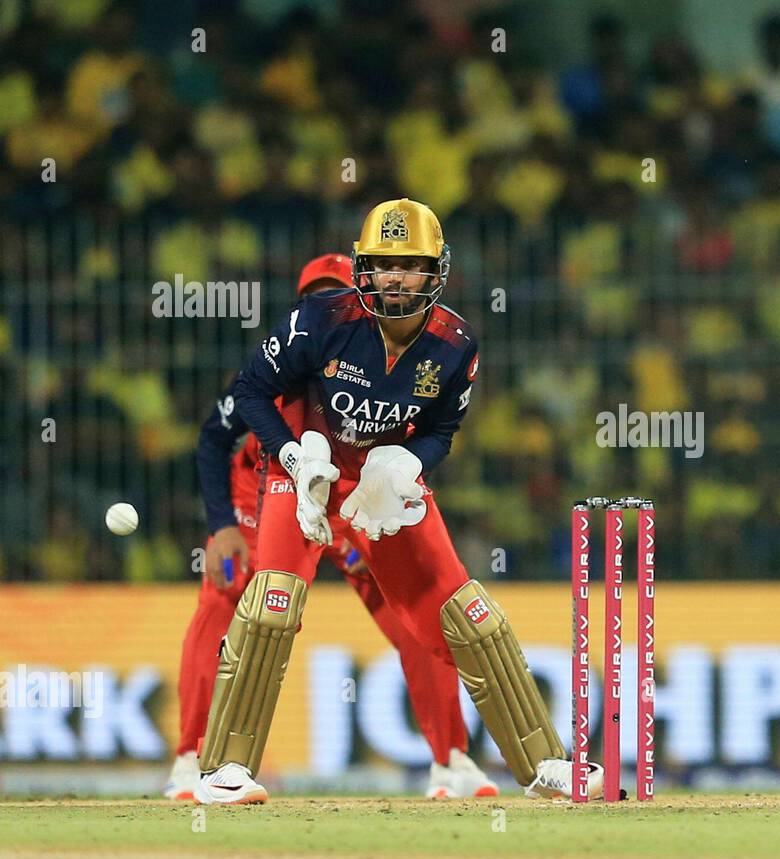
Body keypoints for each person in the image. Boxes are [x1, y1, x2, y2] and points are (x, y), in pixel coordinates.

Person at [194, 198, 598, 804]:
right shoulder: (320, 320)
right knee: (272, 606)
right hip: (310, 471)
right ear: (364, 268)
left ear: (436, 271)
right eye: (384, 265)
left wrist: (412, 462)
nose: (395, 279)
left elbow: (442, 430)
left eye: (410, 265)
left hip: (384, 483)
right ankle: (221, 769)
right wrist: (290, 457)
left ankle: (546, 765)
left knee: (470, 618)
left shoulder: (457, 344)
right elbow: (252, 390)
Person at [165, 253, 497, 802]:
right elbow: (214, 437)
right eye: (313, 296)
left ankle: (451, 760)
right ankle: (193, 759)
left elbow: (431, 432)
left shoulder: (400, 363)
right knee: (231, 607)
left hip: (352, 498)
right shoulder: (291, 356)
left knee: (412, 618)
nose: (324, 306)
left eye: (334, 292)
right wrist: (223, 525)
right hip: (269, 494)